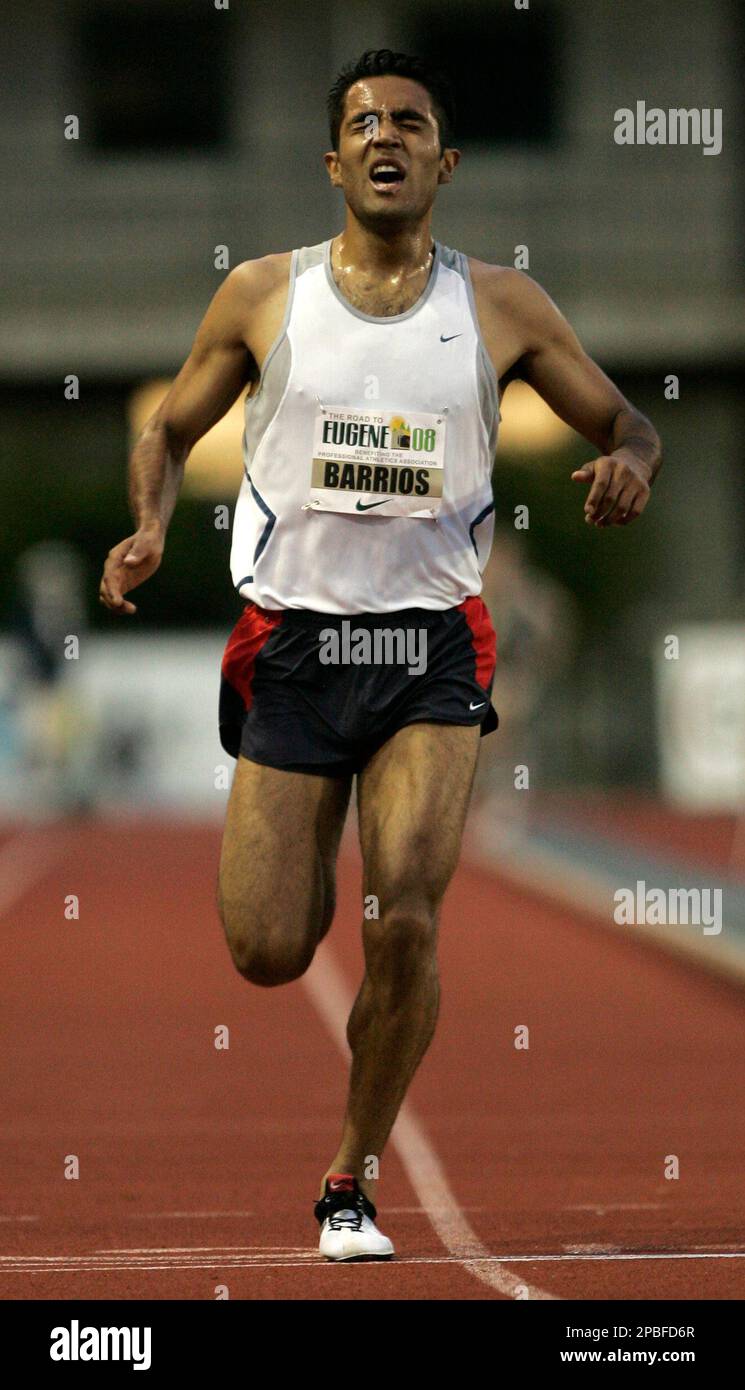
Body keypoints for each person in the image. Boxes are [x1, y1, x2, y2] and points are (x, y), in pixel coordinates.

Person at [99, 48, 661, 1262]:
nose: (386, 138)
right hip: (292, 644)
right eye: (363, 123)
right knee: (266, 948)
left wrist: (631, 459)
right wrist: (148, 524)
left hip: (431, 652)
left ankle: (348, 1176)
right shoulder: (261, 294)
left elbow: (630, 418)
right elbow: (167, 425)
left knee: (403, 913)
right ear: (333, 158)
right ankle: (338, 1114)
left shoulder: (502, 306)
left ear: (444, 162)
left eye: (409, 122)